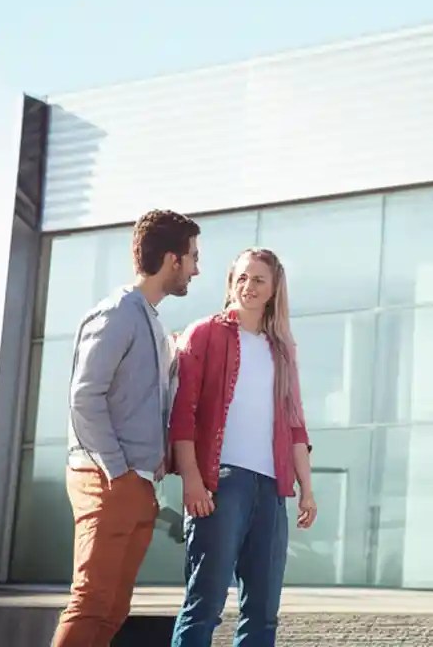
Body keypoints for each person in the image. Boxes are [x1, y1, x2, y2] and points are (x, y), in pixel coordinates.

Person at [53, 209, 200, 647]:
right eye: (193, 257)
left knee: (113, 607)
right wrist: (117, 471)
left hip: (135, 482)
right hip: (105, 477)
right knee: (91, 602)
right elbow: (84, 397)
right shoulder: (117, 313)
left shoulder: (152, 322)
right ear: (172, 259)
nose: (196, 268)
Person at [167, 248, 317, 647]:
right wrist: (192, 481)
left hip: (271, 490)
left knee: (263, 614)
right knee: (204, 606)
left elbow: (295, 424)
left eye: (259, 280)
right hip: (221, 485)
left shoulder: (282, 350)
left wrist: (307, 488)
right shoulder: (204, 333)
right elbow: (182, 415)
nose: (248, 287)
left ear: (273, 290)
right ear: (231, 281)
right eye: (242, 277)